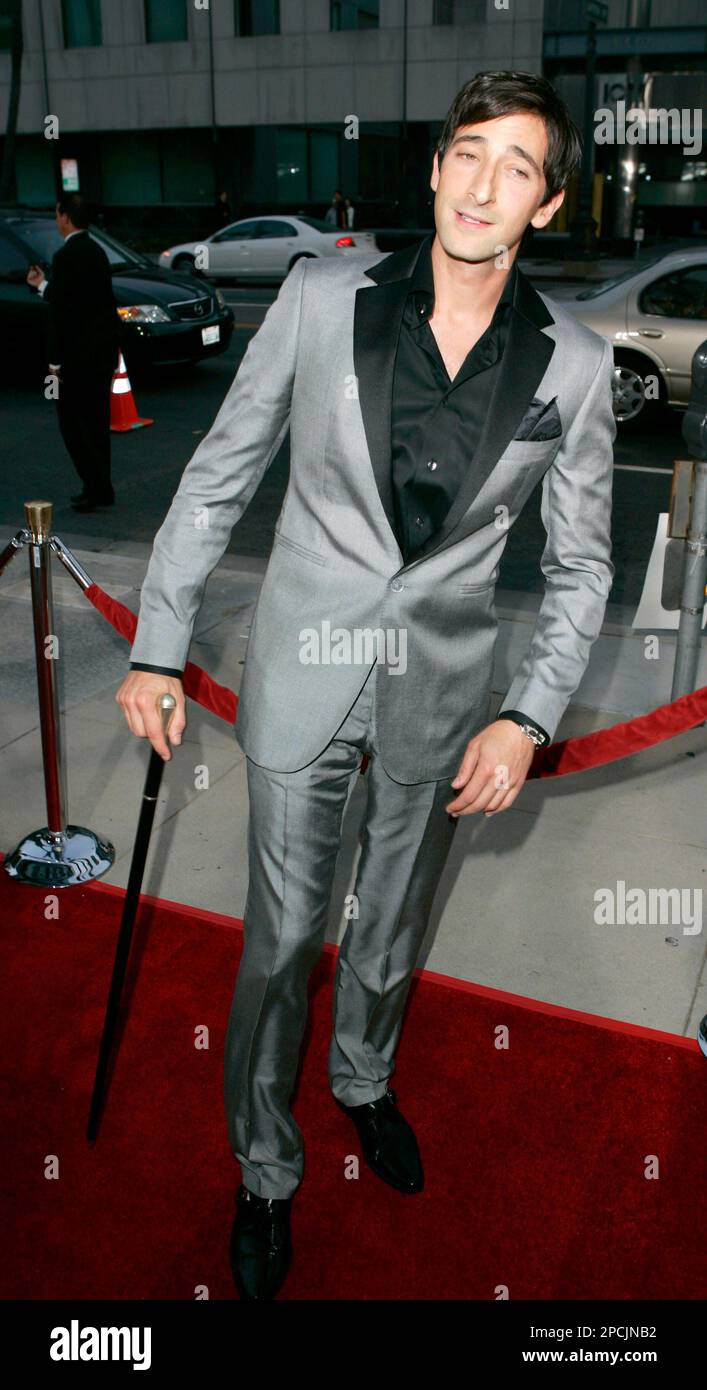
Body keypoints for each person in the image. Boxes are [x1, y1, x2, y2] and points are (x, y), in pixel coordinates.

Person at [116, 71, 615, 1300]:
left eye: (514, 167)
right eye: (465, 153)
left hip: (443, 700)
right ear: (435, 166)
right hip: (301, 675)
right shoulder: (319, 295)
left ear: (545, 203)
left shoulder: (579, 366)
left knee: (388, 928)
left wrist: (528, 713)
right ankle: (266, 1169)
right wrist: (153, 642)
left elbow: (581, 563)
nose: (480, 184)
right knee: (280, 943)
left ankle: (362, 1082)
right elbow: (219, 471)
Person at [26, 193, 120, 513]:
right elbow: (91, 303)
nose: (56, 220)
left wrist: (54, 363)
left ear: (66, 217)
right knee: (96, 423)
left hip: (76, 359)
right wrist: (44, 287)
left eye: (57, 214)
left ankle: (92, 488)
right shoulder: (97, 251)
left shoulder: (66, 256)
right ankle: (101, 487)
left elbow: (62, 312)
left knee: (74, 426)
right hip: (101, 354)